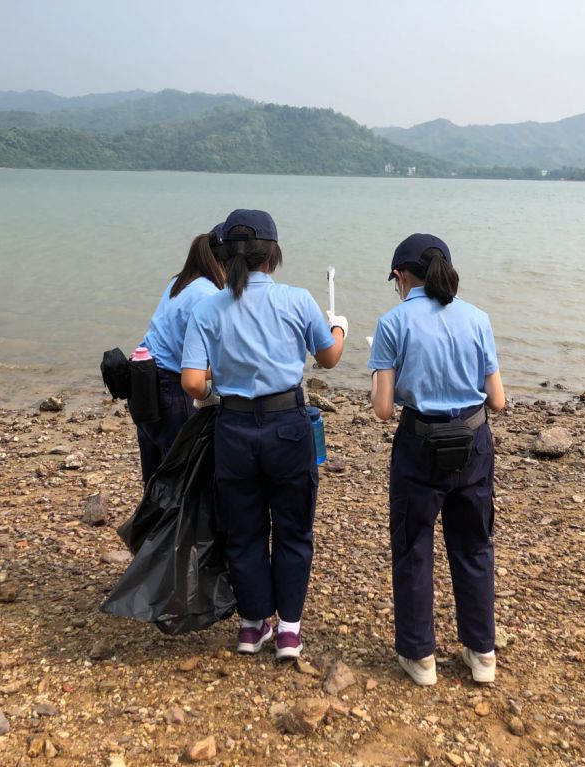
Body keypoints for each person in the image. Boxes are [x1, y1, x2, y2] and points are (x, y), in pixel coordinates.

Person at [180, 209, 347, 660]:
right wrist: (339, 326)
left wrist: (224, 388)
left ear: (226, 256)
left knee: (243, 530)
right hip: (288, 426)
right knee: (293, 529)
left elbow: (193, 383)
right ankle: (289, 631)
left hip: (233, 428)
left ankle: (253, 626)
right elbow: (328, 358)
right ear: (272, 255)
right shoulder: (296, 300)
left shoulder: (207, 307)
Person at [368, 233, 505, 686]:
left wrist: (380, 374)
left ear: (402, 276)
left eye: (396, 281)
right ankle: (482, 653)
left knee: (413, 548)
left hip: (420, 445)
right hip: (472, 441)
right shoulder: (477, 318)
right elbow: (498, 400)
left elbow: (384, 410)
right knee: (474, 546)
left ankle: (420, 657)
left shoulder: (392, 323)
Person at [134, 231, 225, 484]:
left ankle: (150, 523)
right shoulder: (209, 296)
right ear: (223, 262)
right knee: (181, 476)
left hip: (144, 380)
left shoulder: (179, 282)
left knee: (154, 475)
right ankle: (176, 524)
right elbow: (194, 372)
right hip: (172, 389)